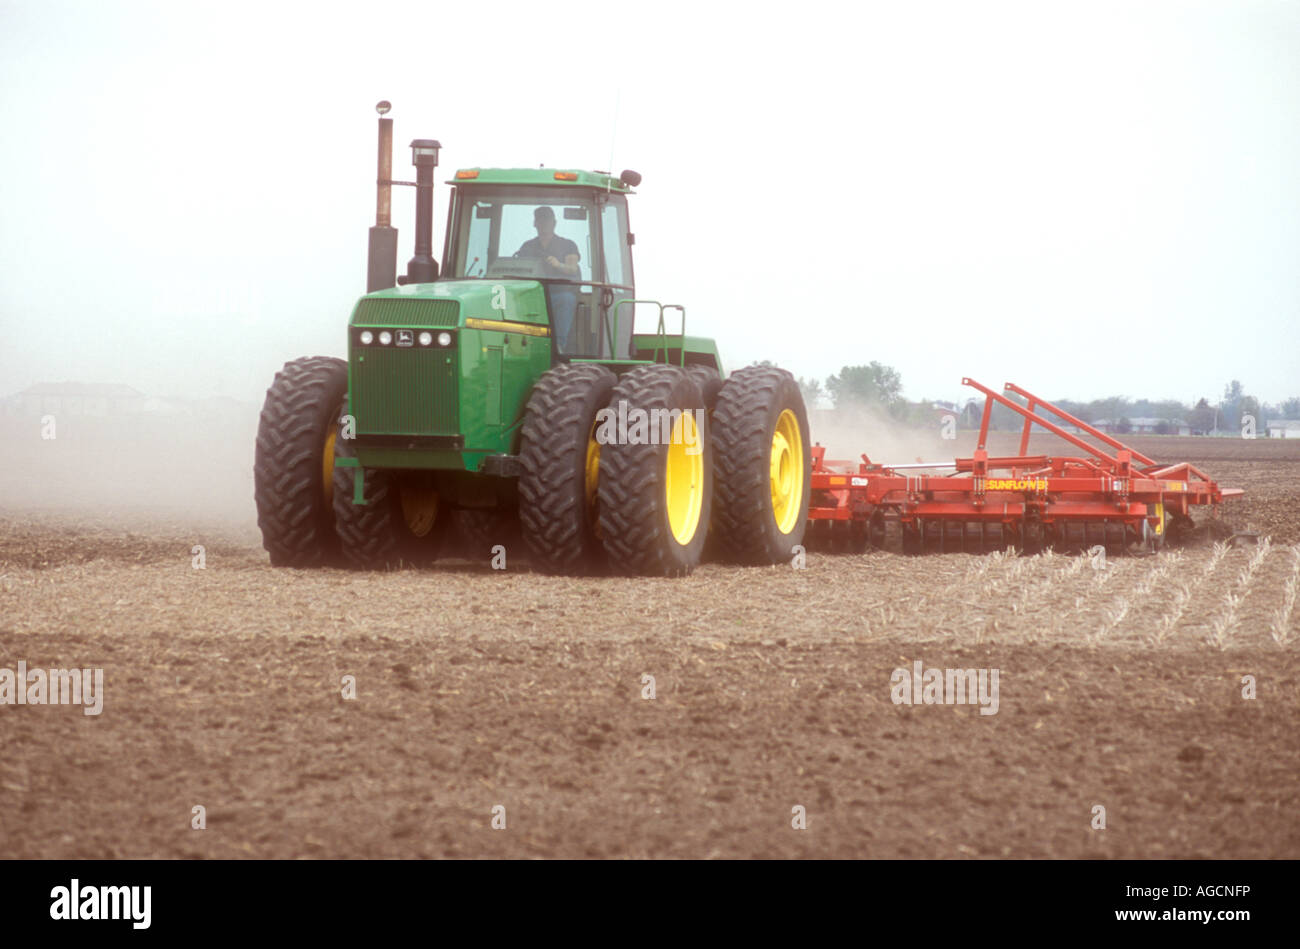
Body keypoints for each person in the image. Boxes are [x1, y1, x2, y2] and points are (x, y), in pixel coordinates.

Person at [515, 206, 581, 351]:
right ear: (535, 223)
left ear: (554, 222)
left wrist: (559, 265)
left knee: (566, 299)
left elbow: (572, 269)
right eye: (540, 219)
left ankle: (558, 346)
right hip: (533, 294)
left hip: (557, 294)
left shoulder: (568, 245)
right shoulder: (527, 247)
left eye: (547, 219)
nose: (543, 223)